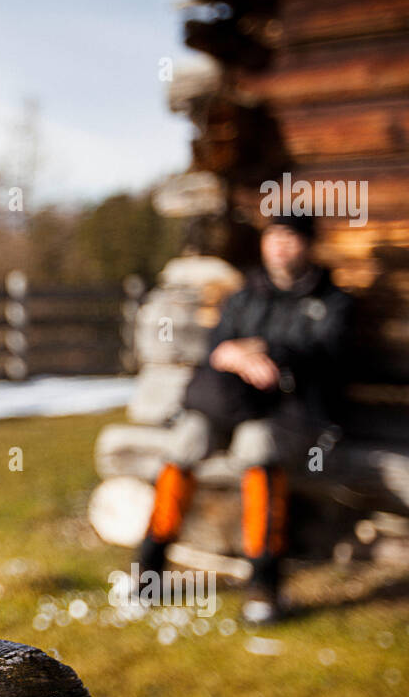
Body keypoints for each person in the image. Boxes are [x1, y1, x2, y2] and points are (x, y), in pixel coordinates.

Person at [134, 211, 354, 624]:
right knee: (184, 441)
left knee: (256, 447)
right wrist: (233, 354)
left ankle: (264, 584)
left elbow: (332, 360)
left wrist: (272, 355)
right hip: (231, 404)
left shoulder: (332, 302)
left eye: (290, 238)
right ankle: (149, 569)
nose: (280, 246)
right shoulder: (244, 296)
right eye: (273, 237)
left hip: (292, 410)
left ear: (308, 245)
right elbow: (216, 347)